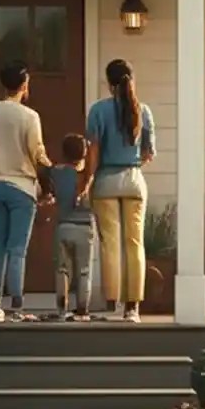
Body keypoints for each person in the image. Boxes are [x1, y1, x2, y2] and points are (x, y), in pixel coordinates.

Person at [0, 60, 52, 323]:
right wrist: (50, 179)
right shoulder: (29, 117)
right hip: (21, 188)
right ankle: (16, 306)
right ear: (24, 85)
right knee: (18, 248)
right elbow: (38, 154)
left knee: (0, 244)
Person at [84, 59, 155, 323]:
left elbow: (93, 152)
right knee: (135, 243)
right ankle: (133, 308)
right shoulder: (143, 110)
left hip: (106, 180)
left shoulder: (98, 111)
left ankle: (111, 302)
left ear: (108, 83)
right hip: (134, 179)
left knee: (110, 243)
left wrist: (87, 180)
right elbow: (148, 153)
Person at [48, 133, 95, 322]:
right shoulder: (89, 177)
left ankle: (62, 309)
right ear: (84, 154)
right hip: (85, 228)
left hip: (63, 227)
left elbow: (45, 175)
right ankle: (82, 311)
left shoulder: (57, 172)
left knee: (62, 269)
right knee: (84, 270)